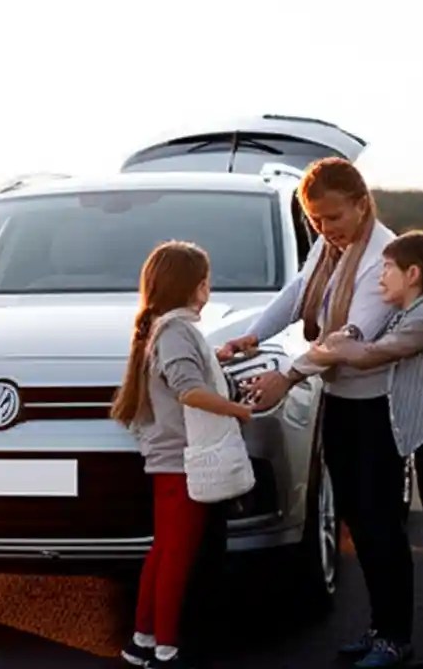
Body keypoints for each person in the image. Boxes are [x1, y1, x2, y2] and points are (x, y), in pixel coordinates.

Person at [224, 157, 411, 668]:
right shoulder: (332, 250)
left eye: (332, 217)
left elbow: (351, 337)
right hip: (343, 403)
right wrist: (252, 337)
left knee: (380, 525)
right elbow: (297, 295)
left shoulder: (382, 258)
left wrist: (287, 375)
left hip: (379, 406)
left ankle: (395, 638)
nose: (323, 229)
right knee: (356, 518)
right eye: (314, 220)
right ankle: (380, 630)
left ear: (362, 204)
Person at [305, 231, 423, 669]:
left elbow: (370, 355)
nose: (380, 276)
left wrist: (333, 346)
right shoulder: (406, 313)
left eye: (388, 268)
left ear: (414, 274)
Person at [112, 240, 254, 669]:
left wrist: (221, 354)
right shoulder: (176, 331)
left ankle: (143, 638)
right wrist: (238, 410)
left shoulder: (167, 328)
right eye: (206, 281)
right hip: (181, 462)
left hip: (170, 460)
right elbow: (188, 389)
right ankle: (167, 649)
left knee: (163, 550)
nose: (209, 288)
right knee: (177, 554)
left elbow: (187, 370)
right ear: (195, 288)